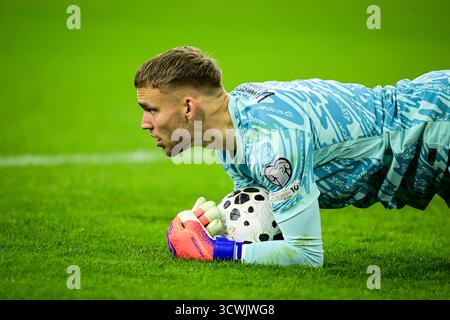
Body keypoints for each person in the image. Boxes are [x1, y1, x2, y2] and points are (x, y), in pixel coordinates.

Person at [134, 46, 450, 266]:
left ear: (189, 107)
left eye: (151, 110)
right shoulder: (233, 125)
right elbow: (262, 214)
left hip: (438, 123)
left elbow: (306, 254)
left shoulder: (271, 142)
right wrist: (214, 223)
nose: (145, 124)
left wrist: (217, 251)